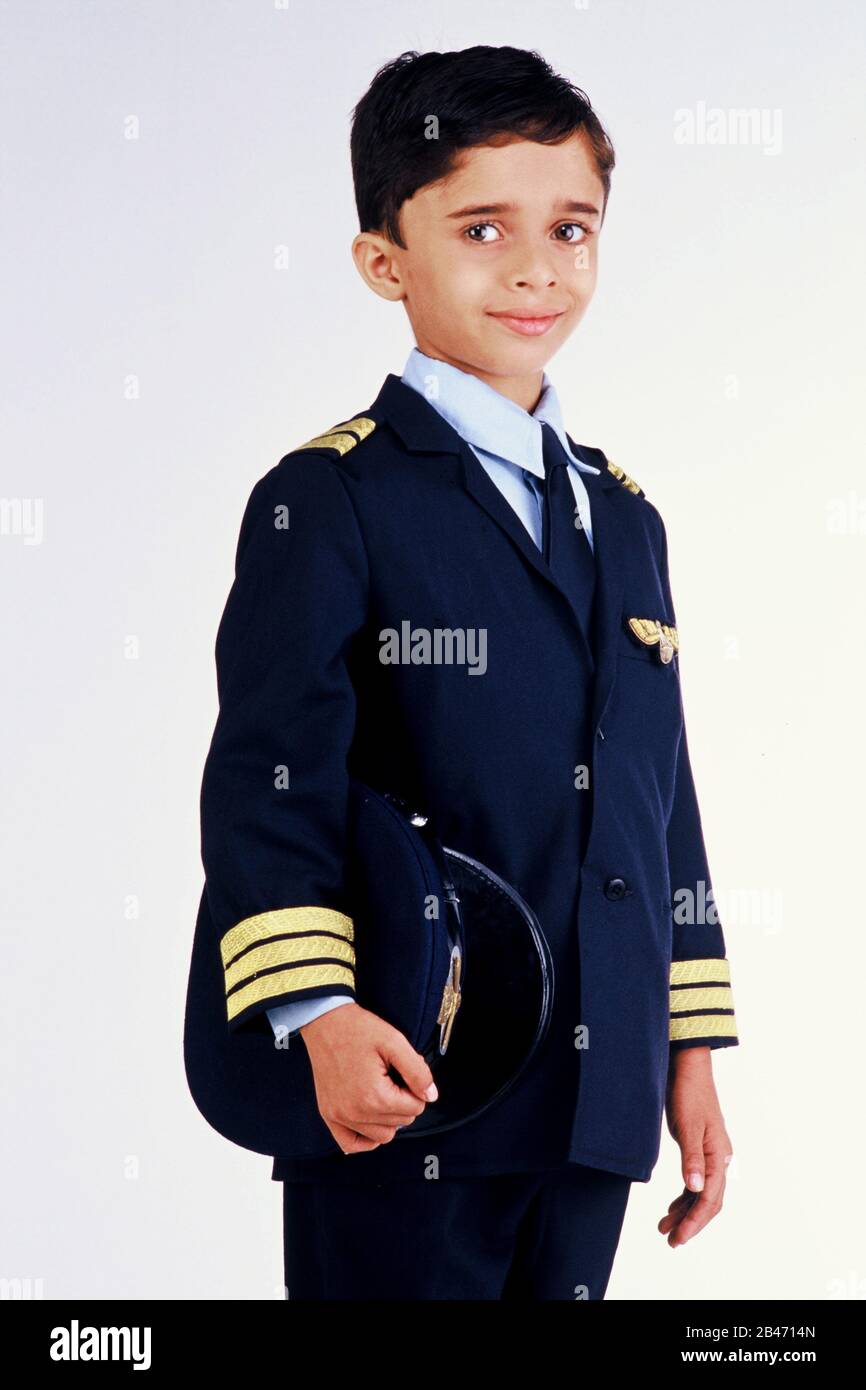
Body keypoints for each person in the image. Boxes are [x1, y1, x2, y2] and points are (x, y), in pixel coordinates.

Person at [198, 45, 739, 1301]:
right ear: (384, 260)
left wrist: (689, 1047)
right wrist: (315, 1015)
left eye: (570, 228)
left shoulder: (624, 516)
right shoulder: (329, 497)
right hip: (407, 1072)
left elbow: (664, 801)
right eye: (482, 226)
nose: (536, 267)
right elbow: (267, 779)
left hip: (594, 1093)